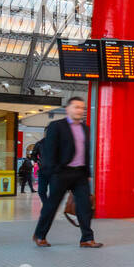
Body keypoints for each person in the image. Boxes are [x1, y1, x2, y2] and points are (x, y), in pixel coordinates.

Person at [32, 97, 102, 248]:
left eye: (82, 108)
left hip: (80, 174)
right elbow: (50, 151)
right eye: (76, 107)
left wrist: (88, 173)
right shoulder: (56, 126)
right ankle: (40, 235)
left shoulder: (85, 128)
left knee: (84, 207)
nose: (80, 110)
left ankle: (86, 238)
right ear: (68, 109)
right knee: (51, 206)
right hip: (61, 172)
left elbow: (85, 152)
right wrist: (54, 171)